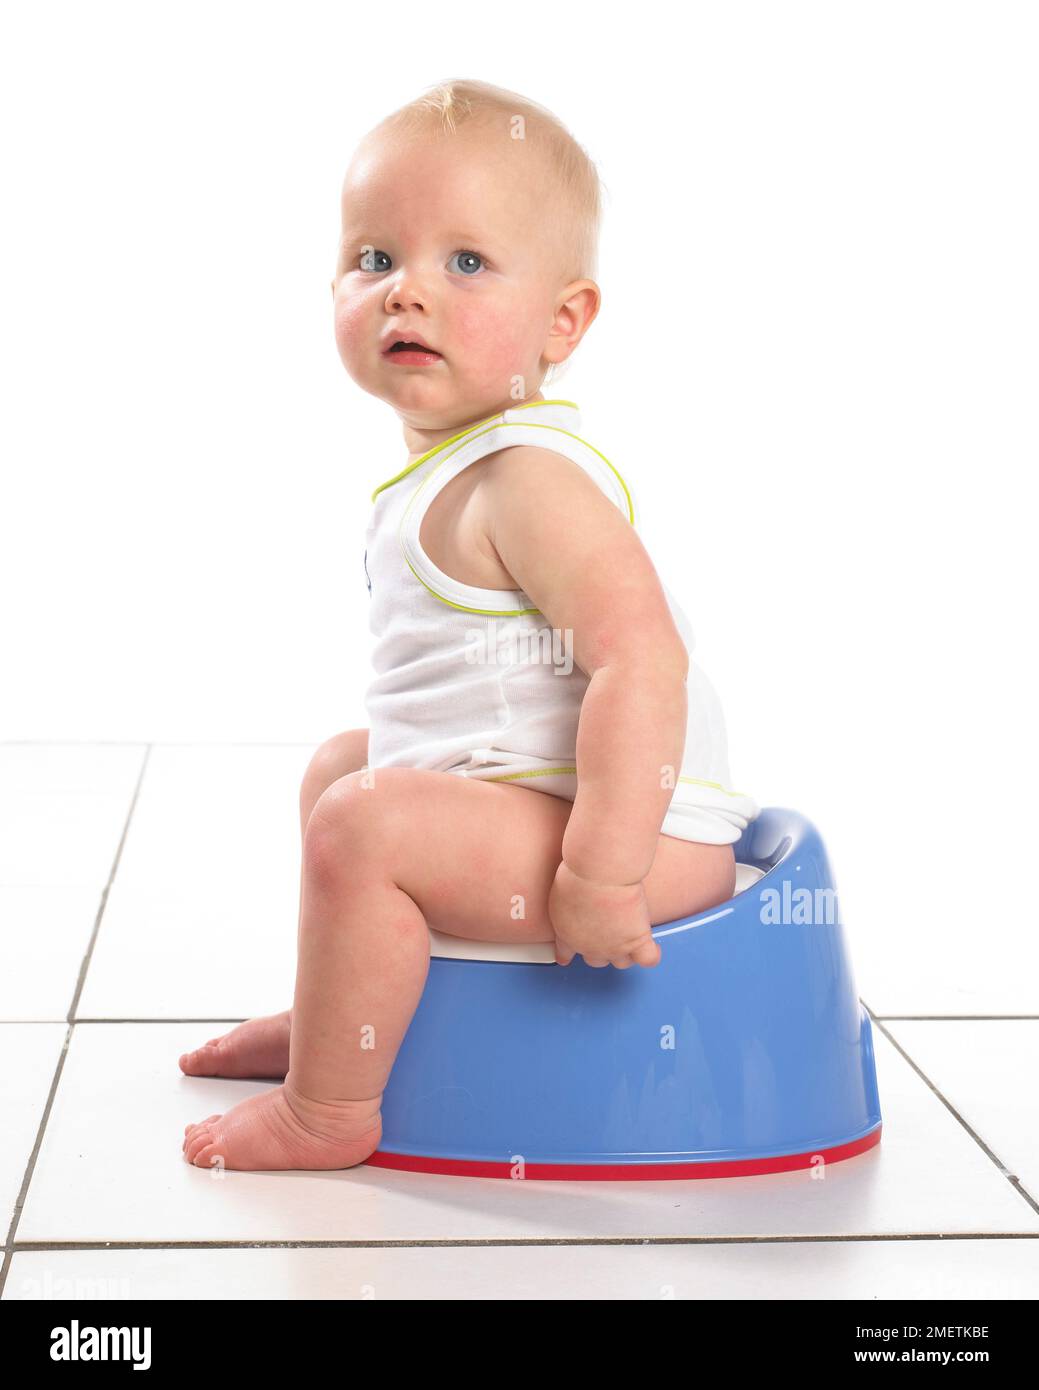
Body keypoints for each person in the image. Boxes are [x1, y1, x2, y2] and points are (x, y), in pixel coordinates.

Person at [180, 78, 759, 1172]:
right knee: (341, 769)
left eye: (466, 262)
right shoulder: (441, 473)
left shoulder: (526, 480)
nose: (407, 291)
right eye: (374, 258)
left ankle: (328, 1112)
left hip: (640, 836)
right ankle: (339, 1017)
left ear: (562, 321)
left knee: (361, 823)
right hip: (540, 798)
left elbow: (643, 663)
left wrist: (602, 872)